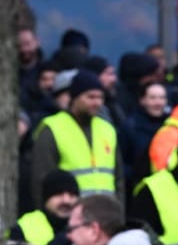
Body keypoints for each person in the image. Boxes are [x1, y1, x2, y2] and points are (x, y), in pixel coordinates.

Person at [32, 69, 120, 200]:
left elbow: (119, 180)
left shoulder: (107, 129)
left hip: (105, 214)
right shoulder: (53, 128)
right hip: (69, 213)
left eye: (100, 97)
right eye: (90, 97)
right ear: (74, 98)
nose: (97, 103)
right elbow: (41, 179)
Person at [10, 170, 78, 245]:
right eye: (59, 194)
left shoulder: (88, 226)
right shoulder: (26, 226)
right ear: (46, 199)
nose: (66, 200)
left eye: (72, 195)